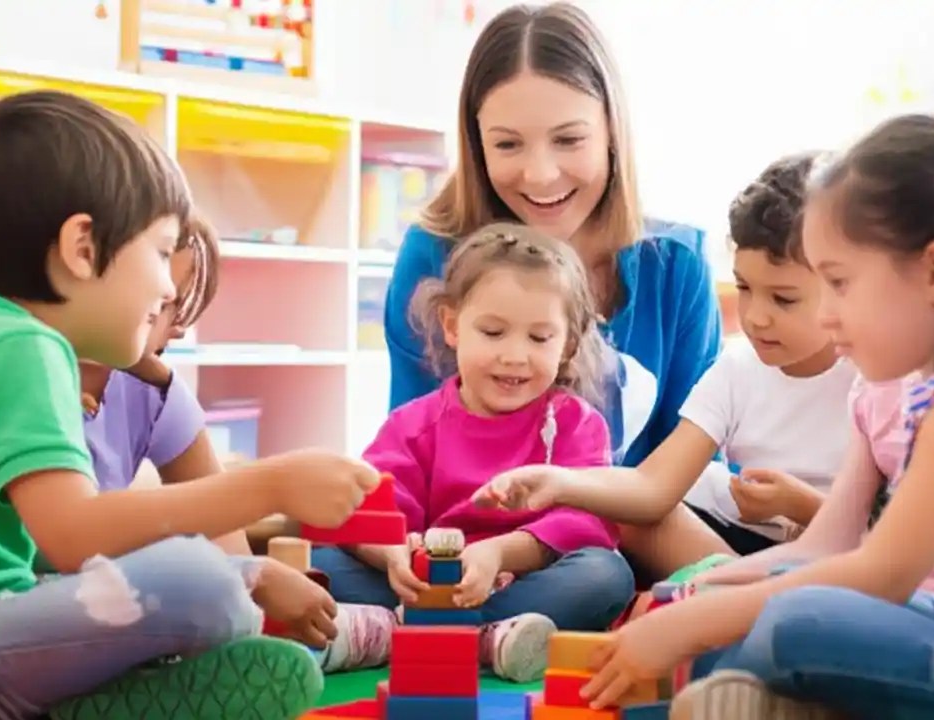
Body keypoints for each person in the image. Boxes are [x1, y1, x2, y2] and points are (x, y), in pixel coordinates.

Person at [577, 114, 934, 720]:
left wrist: (695, 622)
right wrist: (695, 595)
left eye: (840, 284)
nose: (827, 316)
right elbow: (826, 548)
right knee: (762, 619)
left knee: (796, 623)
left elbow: (884, 574)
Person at [0, 90, 379, 720]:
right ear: (83, 248)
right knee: (202, 584)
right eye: (162, 253)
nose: (168, 288)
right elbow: (76, 535)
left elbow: (45, 550)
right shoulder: (21, 346)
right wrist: (270, 486)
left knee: (192, 580)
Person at [384, 4, 721, 496]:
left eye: (568, 140)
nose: (540, 175)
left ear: (611, 133)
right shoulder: (433, 254)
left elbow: (699, 467)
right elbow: (408, 453)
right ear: (477, 145)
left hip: (635, 544)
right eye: (507, 145)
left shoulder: (675, 265)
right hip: (470, 534)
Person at [476, 152, 856, 579]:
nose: (756, 317)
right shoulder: (738, 371)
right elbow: (653, 486)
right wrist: (563, 483)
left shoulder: (875, 379)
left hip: (845, 551)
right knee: (632, 515)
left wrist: (800, 505)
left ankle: (734, 599)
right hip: (740, 547)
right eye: (746, 288)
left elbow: (898, 533)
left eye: (784, 299)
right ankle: (739, 592)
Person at [313, 223, 636, 683]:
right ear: (452, 326)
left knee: (607, 575)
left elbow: (587, 522)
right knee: (320, 563)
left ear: (567, 343)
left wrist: (499, 556)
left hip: (520, 583)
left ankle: (407, 635)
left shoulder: (576, 424)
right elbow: (370, 507)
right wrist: (393, 556)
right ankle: (476, 639)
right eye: (493, 332)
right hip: (422, 584)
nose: (514, 356)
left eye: (539, 338)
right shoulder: (415, 424)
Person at [79, 214, 249, 556]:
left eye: (169, 303)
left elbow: (226, 540)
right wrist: (276, 486)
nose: (148, 307)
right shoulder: (28, 371)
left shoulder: (154, 390)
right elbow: (64, 537)